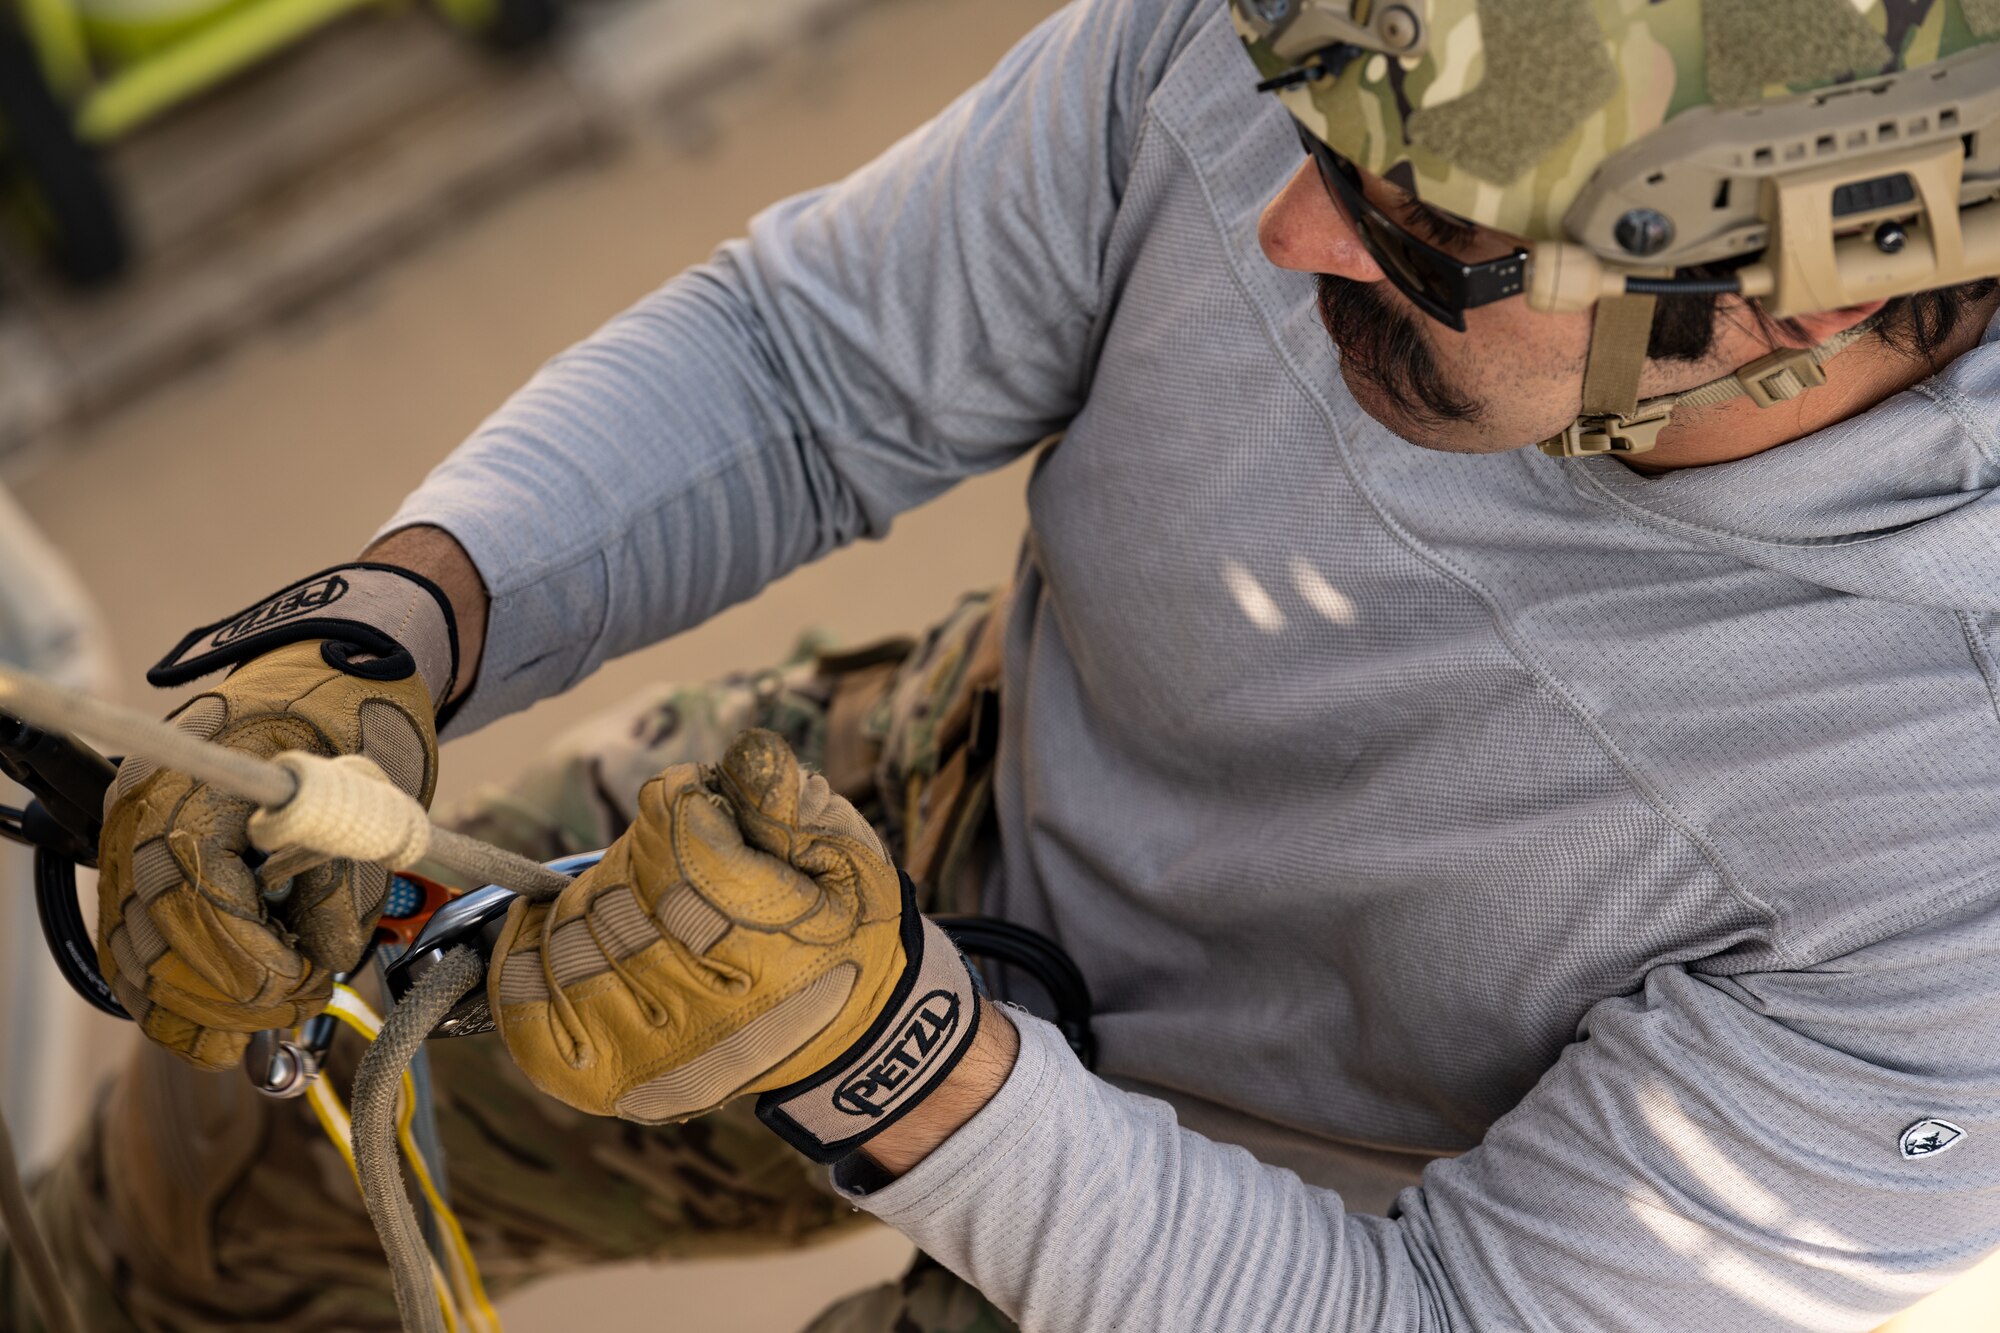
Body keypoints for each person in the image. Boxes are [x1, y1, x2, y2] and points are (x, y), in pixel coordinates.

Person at [9, 0, 2000, 1328]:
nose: (1293, 216)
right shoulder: (1360, 57)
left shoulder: (1946, 834)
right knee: (202, 1184)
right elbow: (816, 364)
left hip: (1323, 1217)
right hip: (914, 818)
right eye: (1305, 119)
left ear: (1770, 305)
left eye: (1424, 230)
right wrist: (390, 627)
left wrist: (897, 1066)